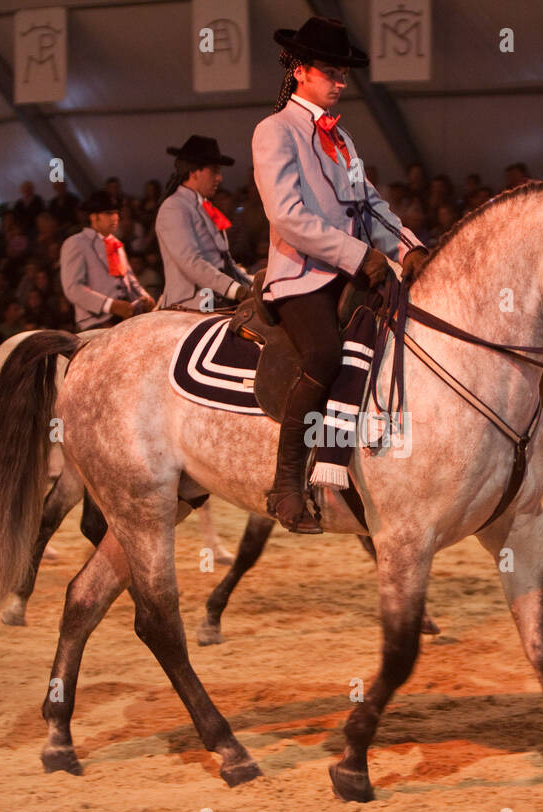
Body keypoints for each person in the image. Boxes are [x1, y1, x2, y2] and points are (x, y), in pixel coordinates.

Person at [252, 15, 429, 533]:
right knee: (325, 354)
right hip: (301, 276)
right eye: (332, 72)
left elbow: (369, 204)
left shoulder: (343, 139)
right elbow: (287, 215)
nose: (341, 81)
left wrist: (409, 246)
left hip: (351, 270)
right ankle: (287, 482)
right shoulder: (273, 131)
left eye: (343, 74)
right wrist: (357, 256)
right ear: (302, 72)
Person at [155, 135, 253, 309]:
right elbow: (191, 262)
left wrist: (252, 284)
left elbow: (226, 262)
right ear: (194, 172)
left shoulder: (203, 206)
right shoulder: (174, 207)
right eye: (214, 171)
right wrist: (236, 290)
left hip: (217, 297)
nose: (219, 178)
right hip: (193, 304)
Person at [59, 191, 155, 331]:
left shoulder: (116, 243)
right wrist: (110, 305)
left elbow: (130, 280)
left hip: (127, 316)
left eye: (116, 213)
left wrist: (145, 297)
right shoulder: (76, 243)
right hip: (96, 320)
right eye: (109, 213)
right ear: (95, 217)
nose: (115, 218)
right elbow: (73, 288)